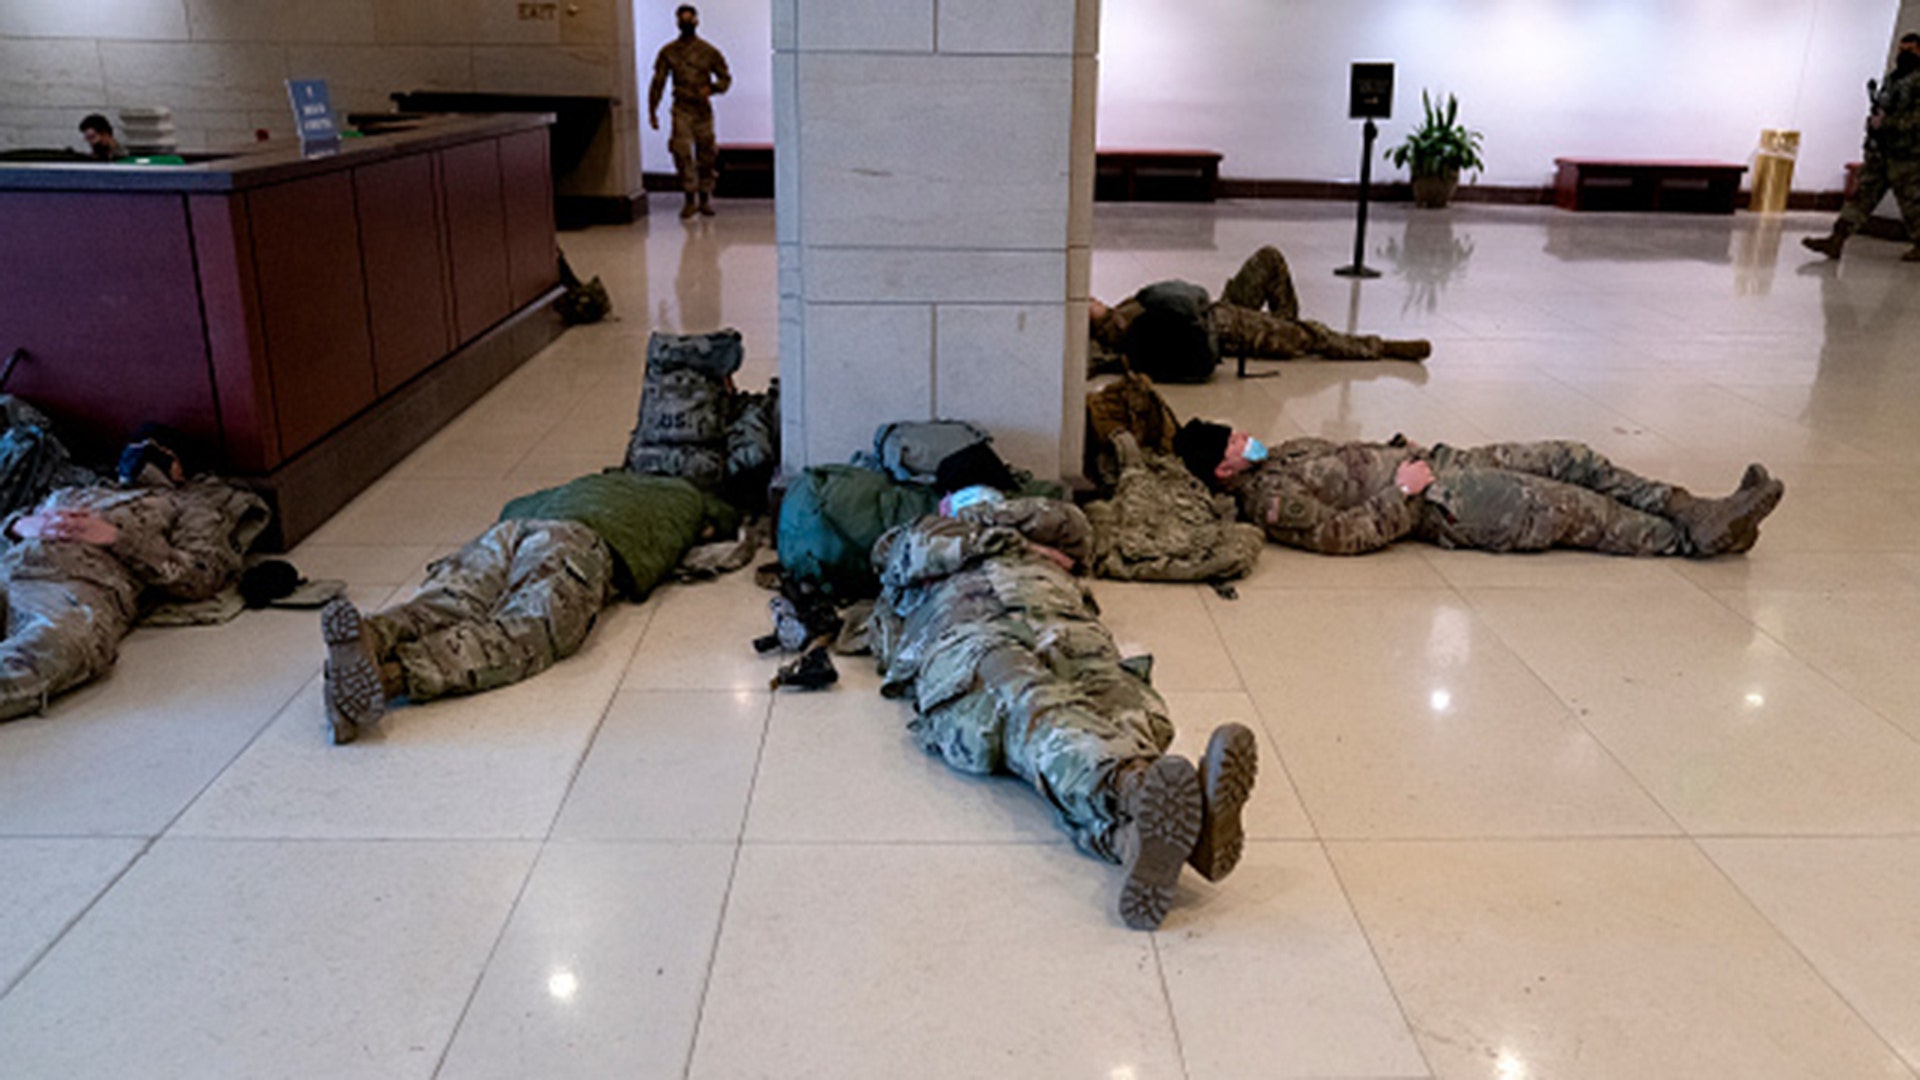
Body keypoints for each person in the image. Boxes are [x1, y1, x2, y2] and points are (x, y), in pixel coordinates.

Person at [868, 487, 1259, 930]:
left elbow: (1076, 529)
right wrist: (1001, 539)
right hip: (974, 633)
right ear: (946, 508)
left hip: (1066, 624)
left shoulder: (1044, 523)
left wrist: (1007, 520)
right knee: (1035, 707)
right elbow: (898, 555)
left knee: (1120, 698)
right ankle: (1135, 790)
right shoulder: (923, 532)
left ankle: (1136, 833)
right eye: (967, 504)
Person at [320, 471, 736, 744]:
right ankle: (394, 677)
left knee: (451, 599)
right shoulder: (687, 496)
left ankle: (374, 634)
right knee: (526, 628)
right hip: (575, 541)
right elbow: (724, 527)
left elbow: (514, 505)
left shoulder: (583, 483)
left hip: (511, 531)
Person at [1172, 419, 1786, 558]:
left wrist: (1400, 452)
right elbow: (1339, 535)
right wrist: (1403, 493)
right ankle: (1694, 540)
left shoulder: (1281, 454)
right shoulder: (1269, 500)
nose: (1245, 437)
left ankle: (1692, 506)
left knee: (1572, 457)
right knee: (1577, 511)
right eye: (1233, 442)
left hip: (1447, 461)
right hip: (1446, 503)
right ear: (1225, 472)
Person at [0, 433, 269, 721]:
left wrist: (118, 538)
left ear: (178, 468)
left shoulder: (189, 505)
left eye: (159, 448)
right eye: (137, 444)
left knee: (54, 646)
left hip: (75, 583)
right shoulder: (79, 489)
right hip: (11, 566)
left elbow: (201, 574)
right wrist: (18, 525)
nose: (142, 450)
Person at [1090, 246, 1432, 383]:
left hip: (1218, 308)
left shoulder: (1119, 309)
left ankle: (1285, 329)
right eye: (1087, 305)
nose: (1091, 299)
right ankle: (1380, 347)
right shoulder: (1113, 331)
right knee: (1310, 336)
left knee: (1269, 260)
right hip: (1221, 329)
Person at [1804, 32, 1920, 263]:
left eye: (1909, 51)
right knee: (1860, 197)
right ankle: (1836, 239)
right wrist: (1874, 123)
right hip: (1882, 152)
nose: (1903, 56)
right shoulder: (1893, 78)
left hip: (1907, 156)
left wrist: (1887, 123)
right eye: (1900, 51)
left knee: (1913, 204)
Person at [649, 4, 732, 220]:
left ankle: (705, 198)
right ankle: (689, 199)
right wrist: (652, 110)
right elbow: (658, 82)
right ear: (677, 22)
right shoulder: (668, 52)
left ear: (696, 21)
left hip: (702, 110)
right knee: (681, 152)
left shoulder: (709, 52)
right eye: (682, 19)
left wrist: (712, 88)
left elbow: (725, 78)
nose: (686, 23)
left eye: (690, 19)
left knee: (706, 154)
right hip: (682, 109)